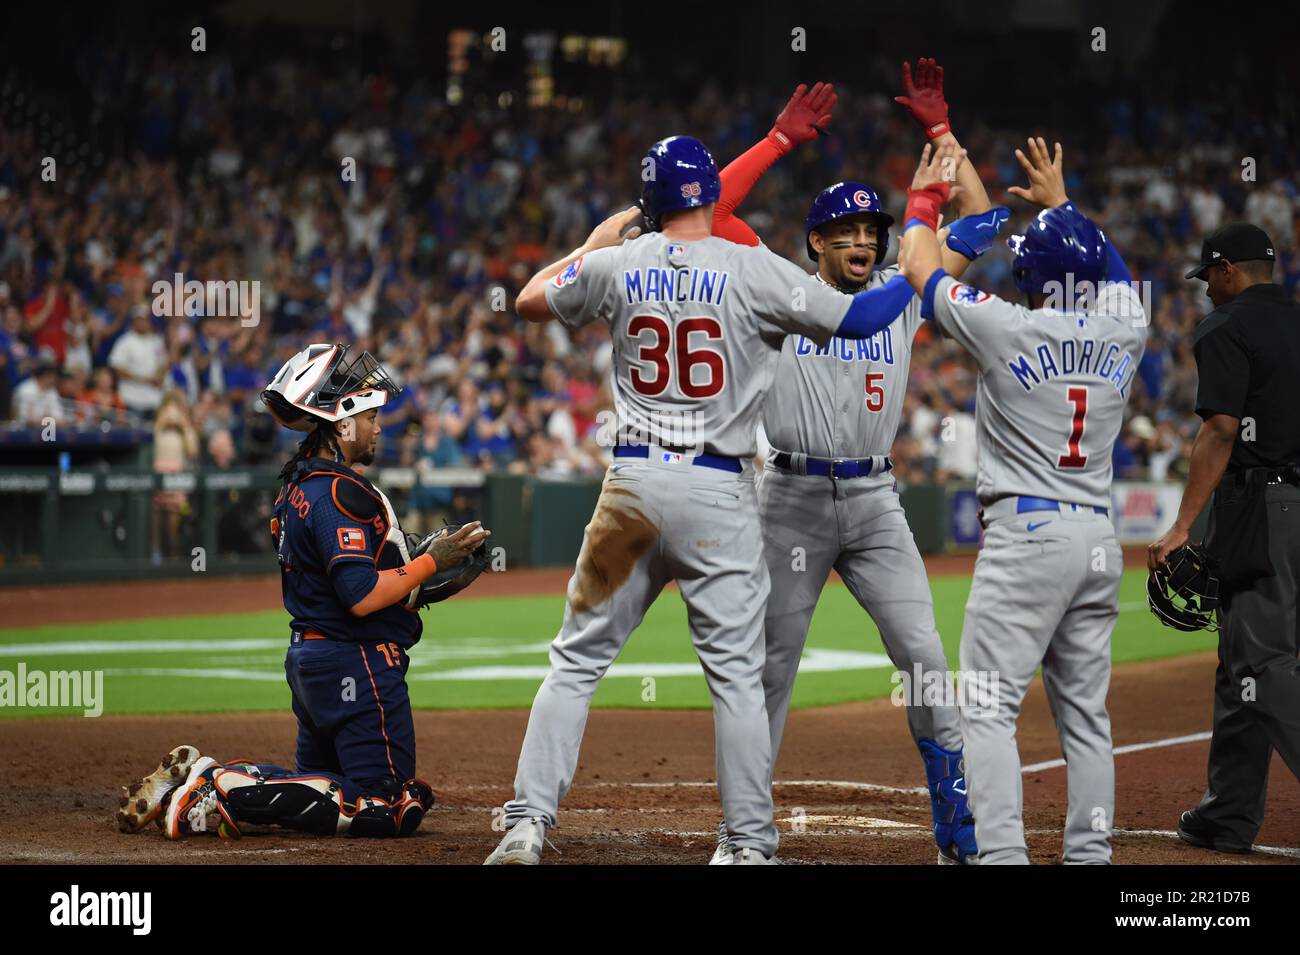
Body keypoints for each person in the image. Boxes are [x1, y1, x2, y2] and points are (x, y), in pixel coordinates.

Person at [485, 134, 941, 865]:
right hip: (720, 490)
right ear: (709, 195)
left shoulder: (620, 261)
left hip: (632, 489)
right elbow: (857, 318)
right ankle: (749, 845)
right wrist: (919, 273)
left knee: (575, 664)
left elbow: (531, 298)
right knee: (735, 678)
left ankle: (526, 822)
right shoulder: (753, 268)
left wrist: (605, 234)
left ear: (652, 201)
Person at [705, 63, 1007, 865]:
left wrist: (941, 134)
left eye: (872, 230)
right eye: (846, 232)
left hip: (875, 501)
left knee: (927, 660)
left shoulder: (907, 287)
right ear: (815, 242)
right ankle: (742, 840)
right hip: (791, 499)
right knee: (767, 670)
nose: (864, 241)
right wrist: (775, 140)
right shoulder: (773, 288)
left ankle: (959, 832)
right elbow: (712, 211)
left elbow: (987, 214)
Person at [115, 343, 491, 840]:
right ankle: (217, 785)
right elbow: (359, 595)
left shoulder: (297, 486)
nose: (379, 427)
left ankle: (197, 783)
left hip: (316, 665)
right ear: (341, 424)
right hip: (354, 667)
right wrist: (429, 562)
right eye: (371, 416)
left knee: (323, 786)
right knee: (384, 807)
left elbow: (355, 584)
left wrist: (423, 580)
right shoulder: (338, 490)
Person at [898, 136, 1147, 864]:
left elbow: (917, 266)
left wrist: (925, 195)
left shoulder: (1006, 325)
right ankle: (1090, 855)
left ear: (1029, 276)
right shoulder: (1125, 325)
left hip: (1027, 536)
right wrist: (1065, 204)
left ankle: (1003, 856)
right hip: (1098, 542)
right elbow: (1113, 266)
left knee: (986, 708)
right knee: (1087, 719)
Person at [1149, 223, 1300, 854]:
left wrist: (1184, 524)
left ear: (1229, 271)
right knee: (1242, 665)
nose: (1207, 289)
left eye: (1209, 276)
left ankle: (1229, 813)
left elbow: (1219, 431)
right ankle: (1227, 815)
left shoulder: (1226, 326)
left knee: (1262, 664)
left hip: (1266, 505)